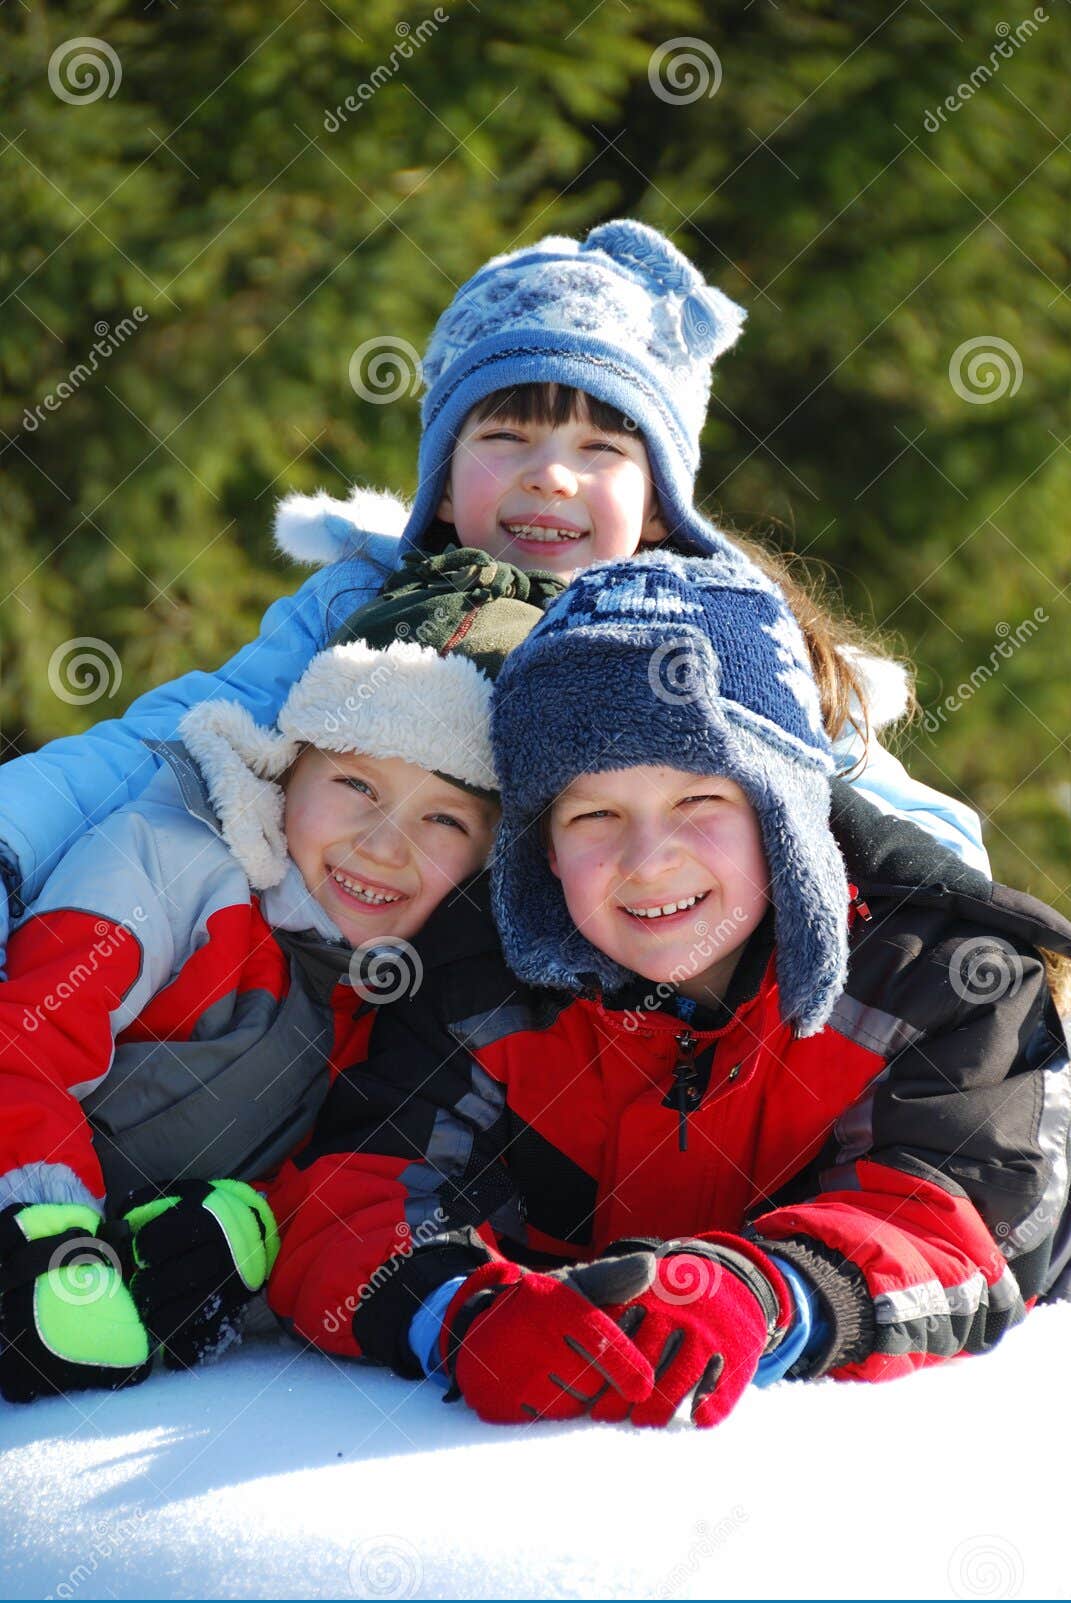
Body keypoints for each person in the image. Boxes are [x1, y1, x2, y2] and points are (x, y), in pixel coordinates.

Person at [0, 219, 989, 982]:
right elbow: (169, 737)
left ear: (657, 508)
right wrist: (15, 836)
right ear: (441, 473)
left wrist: (959, 926)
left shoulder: (710, 641)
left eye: (599, 450)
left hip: (597, 1019)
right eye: (506, 438)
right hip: (349, 1006)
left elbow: (873, 797)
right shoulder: (370, 606)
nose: (549, 477)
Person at [262, 547, 1071, 1429]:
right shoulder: (475, 978)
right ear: (541, 847)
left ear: (784, 809)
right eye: (594, 814)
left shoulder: (938, 975)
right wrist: (464, 1315)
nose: (647, 862)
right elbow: (354, 1193)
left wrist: (763, 1296)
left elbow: (964, 1230)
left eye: (698, 802)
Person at [0, 555, 559, 1403]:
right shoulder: (168, 867)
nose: (381, 844)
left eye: (443, 818)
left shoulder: (430, 991)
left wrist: (237, 1231)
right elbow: (20, 1050)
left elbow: (362, 1170)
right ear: (286, 768)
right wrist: (46, 1233)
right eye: (356, 784)